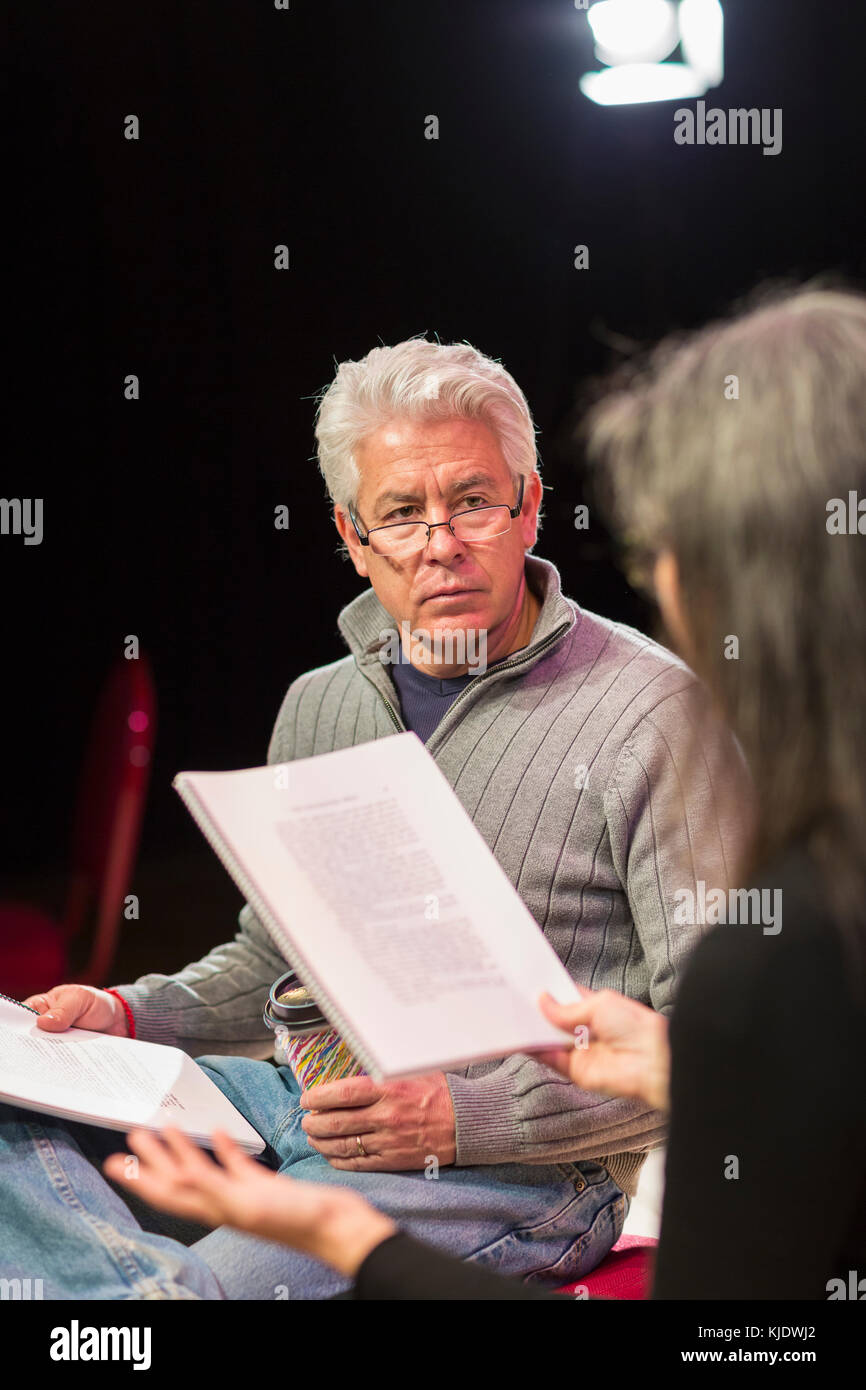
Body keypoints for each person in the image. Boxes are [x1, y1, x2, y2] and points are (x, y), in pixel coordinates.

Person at [103, 285, 866, 1300]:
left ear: (529, 504)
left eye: (470, 501)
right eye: (401, 514)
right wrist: (124, 1011)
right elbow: (269, 955)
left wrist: (466, 1118)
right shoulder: (316, 705)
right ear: (350, 532)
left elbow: (721, 1054)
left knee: (176, 1295)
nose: (439, 543)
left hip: (521, 1175)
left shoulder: (653, 714)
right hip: (302, 1100)